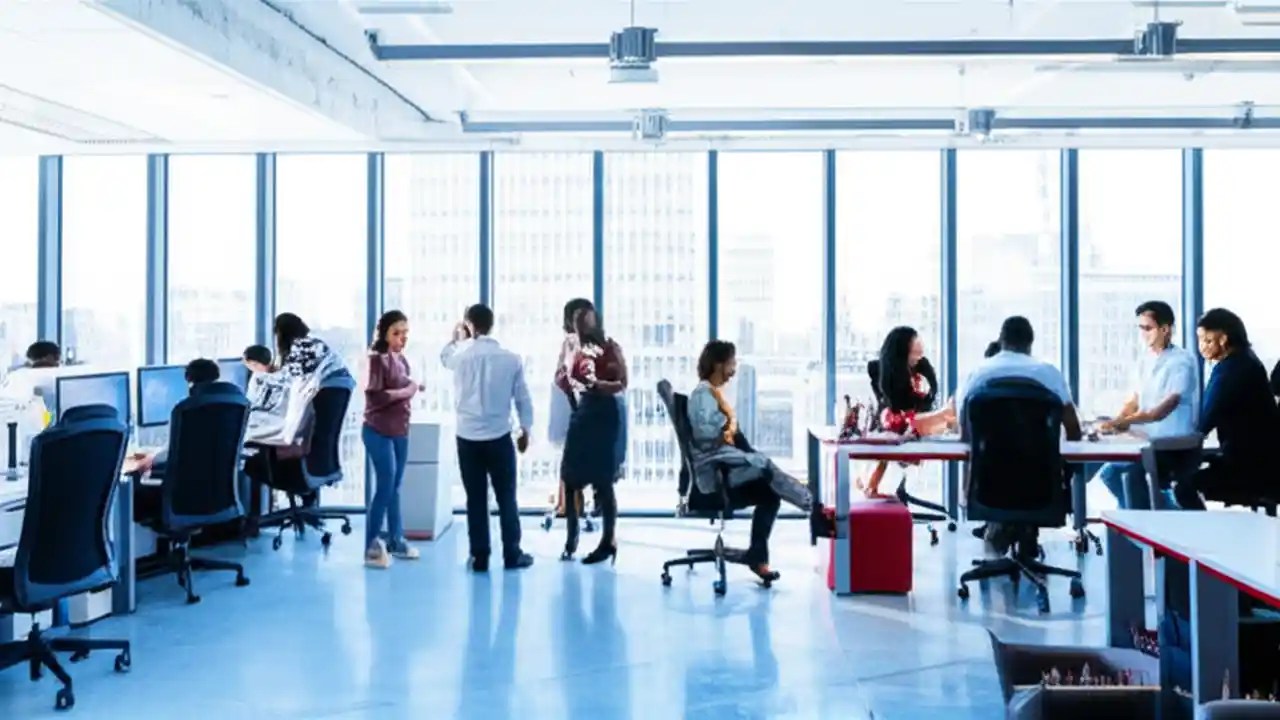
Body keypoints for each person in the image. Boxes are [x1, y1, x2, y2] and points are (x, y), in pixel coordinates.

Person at [687, 340, 831, 583]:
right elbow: (706, 435)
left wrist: (740, 445)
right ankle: (812, 507)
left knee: (769, 493)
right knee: (765, 467)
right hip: (715, 474)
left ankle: (758, 557)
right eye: (731, 364)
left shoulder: (711, 395)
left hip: (722, 466)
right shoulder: (703, 395)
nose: (733, 371)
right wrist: (731, 435)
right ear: (718, 364)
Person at [957, 317, 1082, 550]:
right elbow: (1074, 430)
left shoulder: (978, 374)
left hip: (988, 483)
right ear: (1030, 343)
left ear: (1001, 341)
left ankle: (1000, 531)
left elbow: (964, 434)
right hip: (1040, 484)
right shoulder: (1049, 374)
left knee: (998, 485)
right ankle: (1025, 532)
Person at [441, 303, 534, 572]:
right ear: (492, 324)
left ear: (469, 324)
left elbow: (443, 356)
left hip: (467, 437)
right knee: (507, 496)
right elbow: (523, 399)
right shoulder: (511, 358)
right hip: (499, 436)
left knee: (476, 498)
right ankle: (512, 554)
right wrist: (525, 429)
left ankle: (480, 556)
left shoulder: (459, 357)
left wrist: (457, 336)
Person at [1090, 301, 1199, 509]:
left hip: (1172, 447)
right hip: (1146, 444)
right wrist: (1117, 420)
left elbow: (1160, 411)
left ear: (1165, 329)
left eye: (1148, 328)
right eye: (1140, 328)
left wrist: (1122, 422)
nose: (1143, 333)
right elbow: (1133, 400)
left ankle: (1149, 523)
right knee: (1110, 474)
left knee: (1123, 475)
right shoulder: (1145, 360)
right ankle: (1157, 516)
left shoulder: (1181, 362)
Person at [1174, 308, 1279, 510]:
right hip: (1262, 461)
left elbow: (1204, 422)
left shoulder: (1231, 370)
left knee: (1184, 487)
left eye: (1206, 340)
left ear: (1222, 339)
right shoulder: (1247, 361)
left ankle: (1201, 539)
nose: (1201, 347)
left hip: (1250, 467)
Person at [556, 306, 627, 564]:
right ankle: (571, 539)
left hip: (604, 413)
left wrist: (597, 385)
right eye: (577, 322)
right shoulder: (571, 348)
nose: (581, 327)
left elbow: (622, 382)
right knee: (571, 477)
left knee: (603, 480)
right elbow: (561, 377)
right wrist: (567, 384)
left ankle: (608, 540)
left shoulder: (610, 347)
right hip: (582, 412)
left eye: (584, 321)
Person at [362, 310, 426, 569]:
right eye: (396, 333)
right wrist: (409, 390)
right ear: (385, 333)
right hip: (378, 430)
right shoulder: (376, 360)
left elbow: (402, 389)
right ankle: (371, 544)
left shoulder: (402, 360)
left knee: (395, 487)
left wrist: (410, 388)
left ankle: (396, 540)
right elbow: (377, 397)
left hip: (400, 430)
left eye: (405, 333)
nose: (402, 338)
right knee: (386, 484)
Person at [862, 326, 956, 497]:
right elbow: (889, 412)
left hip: (913, 428)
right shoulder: (883, 373)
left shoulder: (921, 371)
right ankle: (949, 415)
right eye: (914, 355)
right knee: (941, 419)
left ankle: (949, 417)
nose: (917, 360)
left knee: (943, 420)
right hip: (896, 425)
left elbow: (926, 401)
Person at [133, 358, 223, 518]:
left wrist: (147, 459)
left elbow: (172, 453)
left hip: (183, 495)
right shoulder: (229, 408)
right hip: (218, 495)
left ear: (189, 381)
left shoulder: (186, 411)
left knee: (134, 483)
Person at [548, 298, 595, 526]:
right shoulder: (574, 342)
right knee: (574, 457)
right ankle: (570, 505)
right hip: (572, 404)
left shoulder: (572, 342)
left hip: (569, 403)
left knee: (570, 456)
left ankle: (566, 503)